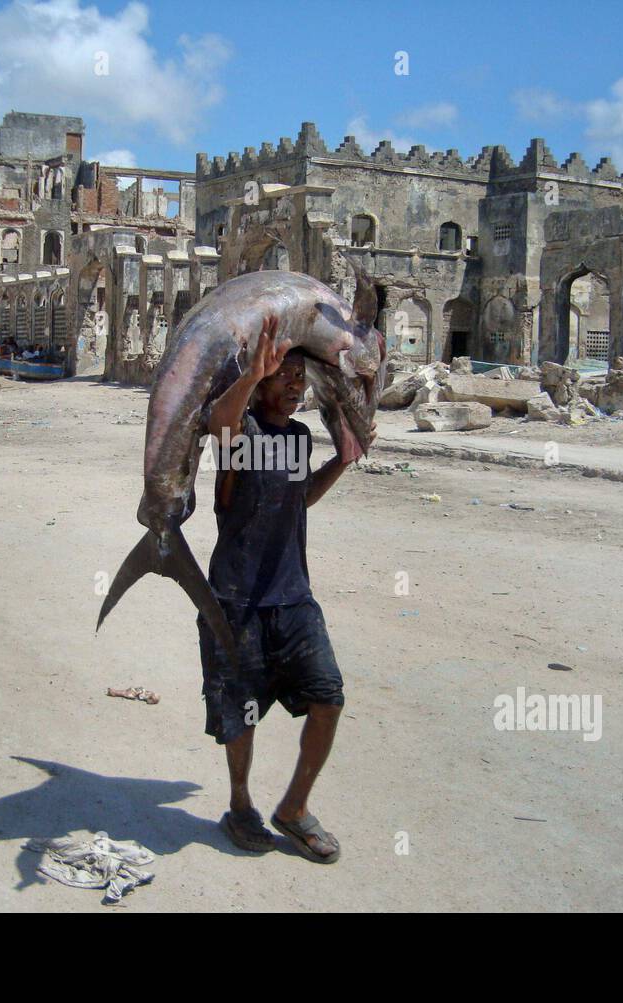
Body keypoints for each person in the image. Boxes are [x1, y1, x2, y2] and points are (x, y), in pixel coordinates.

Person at [198, 316, 374, 864]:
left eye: (301, 378)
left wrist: (342, 462)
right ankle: (241, 804)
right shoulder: (241, 432)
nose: (296, 386)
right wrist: (251, 375)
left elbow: (300, 498)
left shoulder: (297, 438)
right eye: (287, 376)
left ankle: (293, 809)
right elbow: (218, 422)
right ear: (264, 380)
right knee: (240, 715)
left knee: (329, 696)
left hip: (294, 598)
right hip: (235, 601)